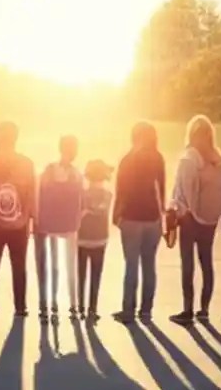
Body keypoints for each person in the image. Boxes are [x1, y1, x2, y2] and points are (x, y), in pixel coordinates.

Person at [168, 115, 221, 326]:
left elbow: (184, 190)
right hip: (209, 218)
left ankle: (187, 310)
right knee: (206, 261)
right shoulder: (217, 157)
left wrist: (184, 211)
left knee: (188, 264)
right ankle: (204, 309)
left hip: (190, 218)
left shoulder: (188, 158)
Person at [0, 121, 38, 319]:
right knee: (19, 265)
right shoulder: (26, 163)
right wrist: (30, 217)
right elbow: (31, 193)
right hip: (19, 223)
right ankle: (20, 306)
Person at [113, 121, 166, 325]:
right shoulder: (158, 158)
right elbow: (161, 188)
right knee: (149, 264)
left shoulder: (128, 159)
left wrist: (116, 216)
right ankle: (146, 309)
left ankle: (128, 310)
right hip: (152, 217)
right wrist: (162, 214)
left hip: (131, 218)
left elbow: (121, 190)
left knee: (131, 265)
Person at [36, 135, 85, 321]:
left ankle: (58, 304)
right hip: (60, 224)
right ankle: (67, 305)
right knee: (65, 265)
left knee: (59, 265)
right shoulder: (73, 173)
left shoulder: (52, 170)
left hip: (56, 224)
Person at [77, 159, 113, 322]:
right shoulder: (108, 194)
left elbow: (79, 212)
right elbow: (102, 209)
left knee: (81, 274)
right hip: (100, 239)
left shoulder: (81, 194)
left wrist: (86, 210)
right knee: (96, 275)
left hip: (82, 238)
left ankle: (79, 307)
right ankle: (93, 308)